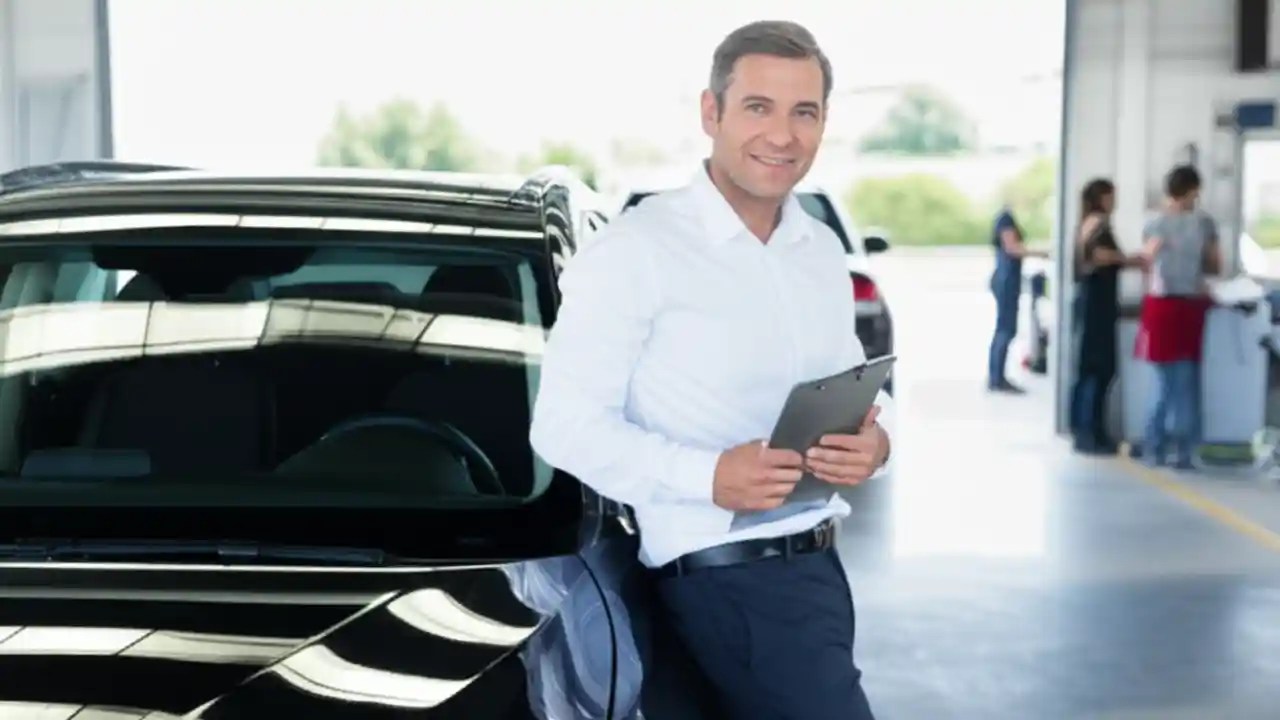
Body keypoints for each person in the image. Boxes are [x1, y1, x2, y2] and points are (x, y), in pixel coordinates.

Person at [529, 20, 891, 720]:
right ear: (711, 112)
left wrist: (877, 444)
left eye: (803, 112)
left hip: (814, 575)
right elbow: (563, 427)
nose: (782, 135)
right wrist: (708, 476)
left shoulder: (816, 251)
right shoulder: (639, 251)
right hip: (723, 579)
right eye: (759, 107)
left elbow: (856, 385)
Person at [1134, 164, 1223, 469]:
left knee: (1161, 382)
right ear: (1192, 190)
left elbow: (1147, 259)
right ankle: (1185, 451)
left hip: (1160, 308)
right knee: (1187, 381)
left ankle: (1154, 448)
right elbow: (1214, 265)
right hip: (1190, 306)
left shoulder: (1155, 223)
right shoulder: (1205, 223)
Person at [1069, 178, 1144, 454]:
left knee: (1095, 368)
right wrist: (1129, 260)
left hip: (1098, 303)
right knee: (1097, 368)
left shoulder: (1090, 223)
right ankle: (1090, 432)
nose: (1114, 202)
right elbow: (1098, 255)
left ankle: (1088, 429)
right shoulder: (1096, 222)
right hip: (1096, 304)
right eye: (1111, 196)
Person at [988, 205, 1049, 393]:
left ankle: (997, 377)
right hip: (1007, 280)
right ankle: (997, 378)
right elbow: (1012, 248)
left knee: (1005, 329)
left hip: (1007, 279)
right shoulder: (1006, 219)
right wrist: (1043, 253)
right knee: (1006, 329)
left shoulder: (1004, 218)